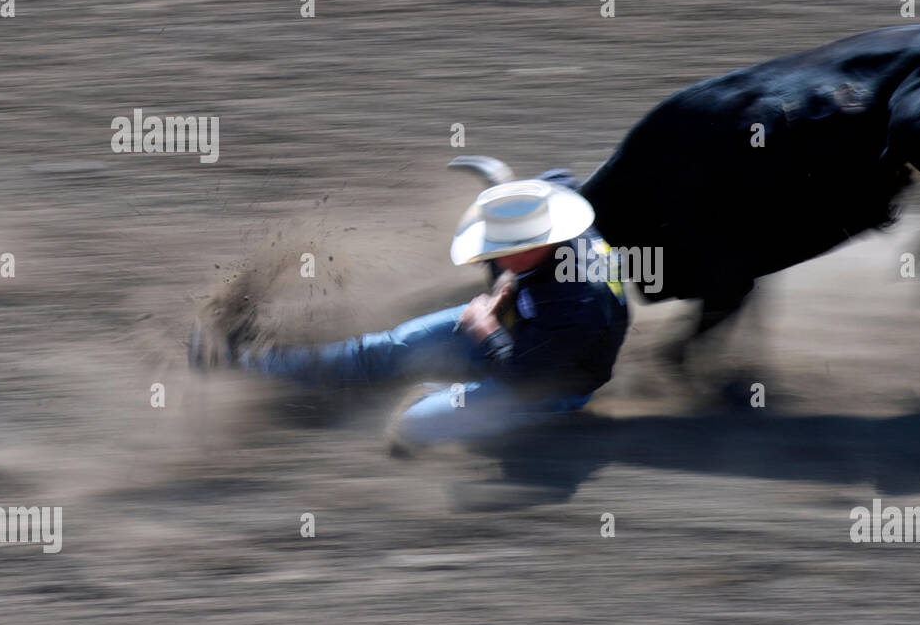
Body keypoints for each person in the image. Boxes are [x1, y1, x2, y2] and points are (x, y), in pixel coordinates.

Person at [189, 176, 628, 449]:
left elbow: (525, 375)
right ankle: (243, 364)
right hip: (515, 326)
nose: (484, 258)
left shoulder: (576, 304)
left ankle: (535, 415)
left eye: (498, 249)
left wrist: (484, 324)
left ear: (537, 244)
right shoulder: (555, 211)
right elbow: (553, 182)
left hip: (546, 381)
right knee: (385, 349)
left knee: (414, 428)